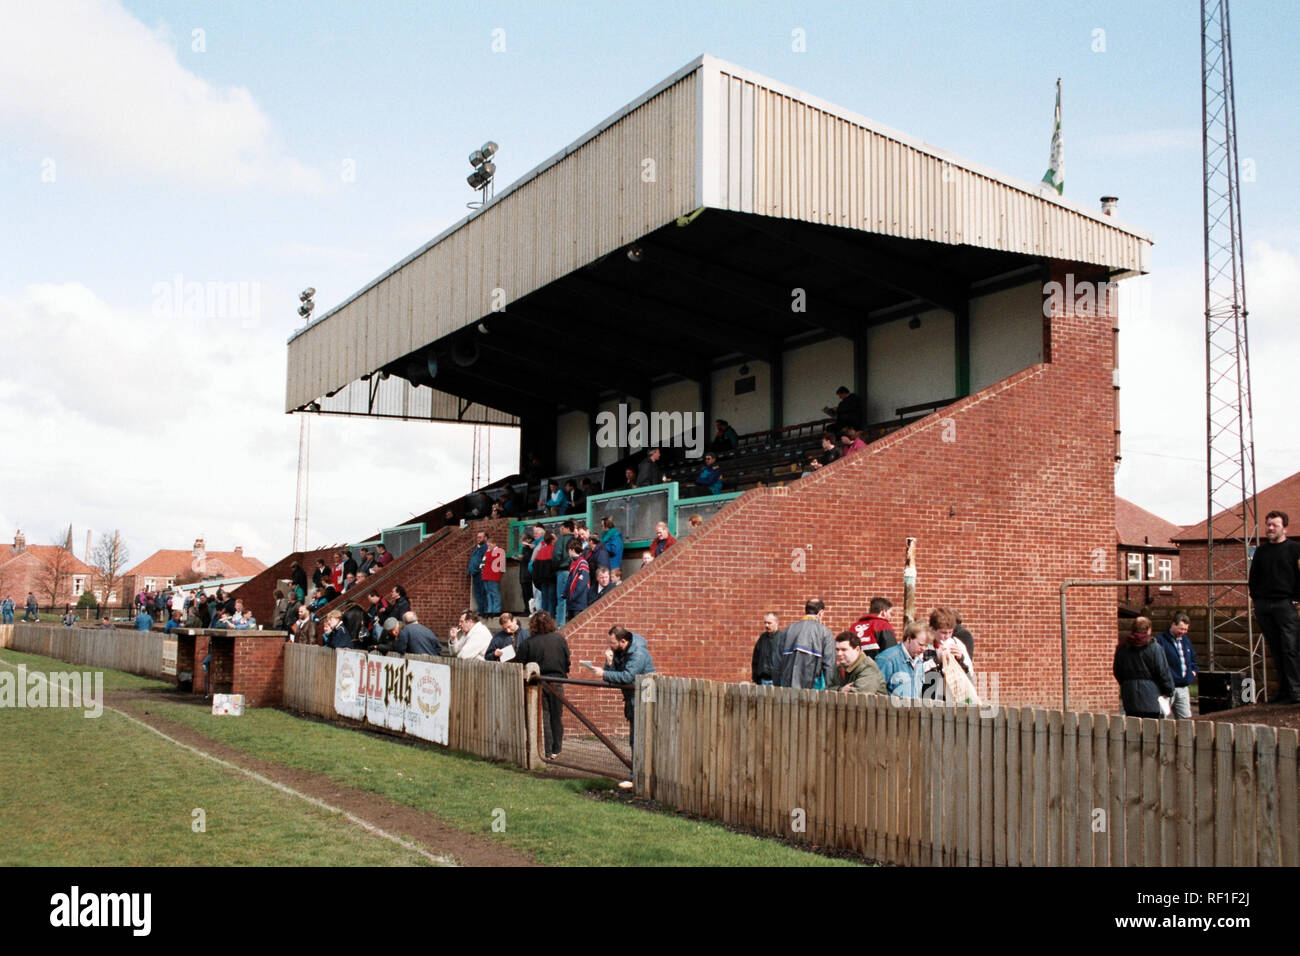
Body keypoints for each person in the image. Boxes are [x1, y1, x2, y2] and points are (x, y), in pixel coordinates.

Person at [1249, 510, 1300, 704]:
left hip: (1285, 604)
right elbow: (1253, 578)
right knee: (1276, 649)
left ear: (1284, 528)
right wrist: (1257, 600)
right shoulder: (1261, 551)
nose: (1270, 528)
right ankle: (1283, 690)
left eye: (1274, 525)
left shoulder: (1295, 549)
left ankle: (1296, 691)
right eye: (1268, 524)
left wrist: (1295, 599)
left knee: (1289, 648)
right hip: (1264, 605)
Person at [516, 612, 571, 758]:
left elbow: (519, 662)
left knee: (544, 715)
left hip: (540, 682)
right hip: (558, 681)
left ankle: (546, 750)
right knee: (556, 716)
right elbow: (567, 661)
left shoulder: (528, 643)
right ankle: (556, 749)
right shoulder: (560, 640)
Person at [591, 625, 655, 749]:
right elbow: (615, 676)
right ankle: (635, 767)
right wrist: (609, 663)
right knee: (635, 738)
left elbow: (626, 677)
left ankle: (640, 768)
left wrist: (604, 673)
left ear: (623, 641)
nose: (610, 646)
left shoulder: (638, 653)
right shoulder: (619, 652)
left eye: (613, 643)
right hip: (632, 697)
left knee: (640, 738)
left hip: (644, 698)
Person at [1114, 616, 1174, 718]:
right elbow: (1163, 671)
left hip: (1130, 695)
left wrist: (1127, 684)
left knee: (1133, 728)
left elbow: (1117, 671)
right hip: (1152, 696)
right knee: (1151, 728)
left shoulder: (1122, 648)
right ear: (1149, 629)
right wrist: (1168, 691)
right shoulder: (1154, 648)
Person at [776, 599, 836, 689]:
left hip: (787, 688)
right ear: (821, 613)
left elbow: (777, 661)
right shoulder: (825, 632)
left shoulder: (789, 629)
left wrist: (776, 686)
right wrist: (832, 688)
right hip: (813, 688)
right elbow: (829, 664)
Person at [1155, 612, 1198, 718]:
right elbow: (1156, 663)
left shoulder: (1186, 641)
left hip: (1183, 687)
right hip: (1166, 688)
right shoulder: (1160, 640)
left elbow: (1193, 658)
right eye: (1181, 629)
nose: (1183, 632)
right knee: (1161, 717)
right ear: (1173, 624)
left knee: (1186, 720)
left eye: (1185, 630)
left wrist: (1193, 672)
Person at [875, 621, 933, 699]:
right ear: (908, 639)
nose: (924, 649)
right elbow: (876, 692)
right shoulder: (887, 659)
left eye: (926, 646)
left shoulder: (919, 662)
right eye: (921, 644)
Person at [928, 606, 972, 676]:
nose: (947, 636)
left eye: (950, 632)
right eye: (943, 633)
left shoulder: (957, 643)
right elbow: (917, 673)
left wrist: (960, 659)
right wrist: (936, 660)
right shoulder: (923, 645)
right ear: (933, 630)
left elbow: (969, 674)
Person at [751, 611, 783, 685]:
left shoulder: (783, 638)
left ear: (776, 623)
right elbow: (755, 659)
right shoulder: (762, 638)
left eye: (769, 623)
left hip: (777, 680)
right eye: (765, 623)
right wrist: (755, 678)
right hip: (762, 680)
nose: (767, 625)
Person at [564, 540, 592, 618]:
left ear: (572, 549)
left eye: (568, 550)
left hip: (579, 601)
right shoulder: (573, 563)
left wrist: (573, 596)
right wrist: (565, 593)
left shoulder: (582, 563)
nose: (568, 553)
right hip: (572, 601)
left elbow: (582, 583)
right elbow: (570, 580)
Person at [481, 535, 505, 615]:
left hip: (494, 575)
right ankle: (490, 610)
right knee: (488, 593)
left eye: (490, 545)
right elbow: (484, 562)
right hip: (486, 575)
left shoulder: (499, 551)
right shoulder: (487, 552)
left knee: (495, 593)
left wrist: (488, 553)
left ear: (494, 544)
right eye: (487, 545)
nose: (488, 547)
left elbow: (494, 561)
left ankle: (496, 610)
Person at [467, 530, 488, 612]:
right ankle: (481, 609)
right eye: (477, 537)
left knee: (483, 592)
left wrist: (479, 569)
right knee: (478, 593)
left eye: (480, 537)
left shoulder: (485, 548)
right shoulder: (477, 548)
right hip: (475, 574)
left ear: (485, 538)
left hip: (481, 573)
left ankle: (484, 610)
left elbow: (485, 561)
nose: (478, 539)